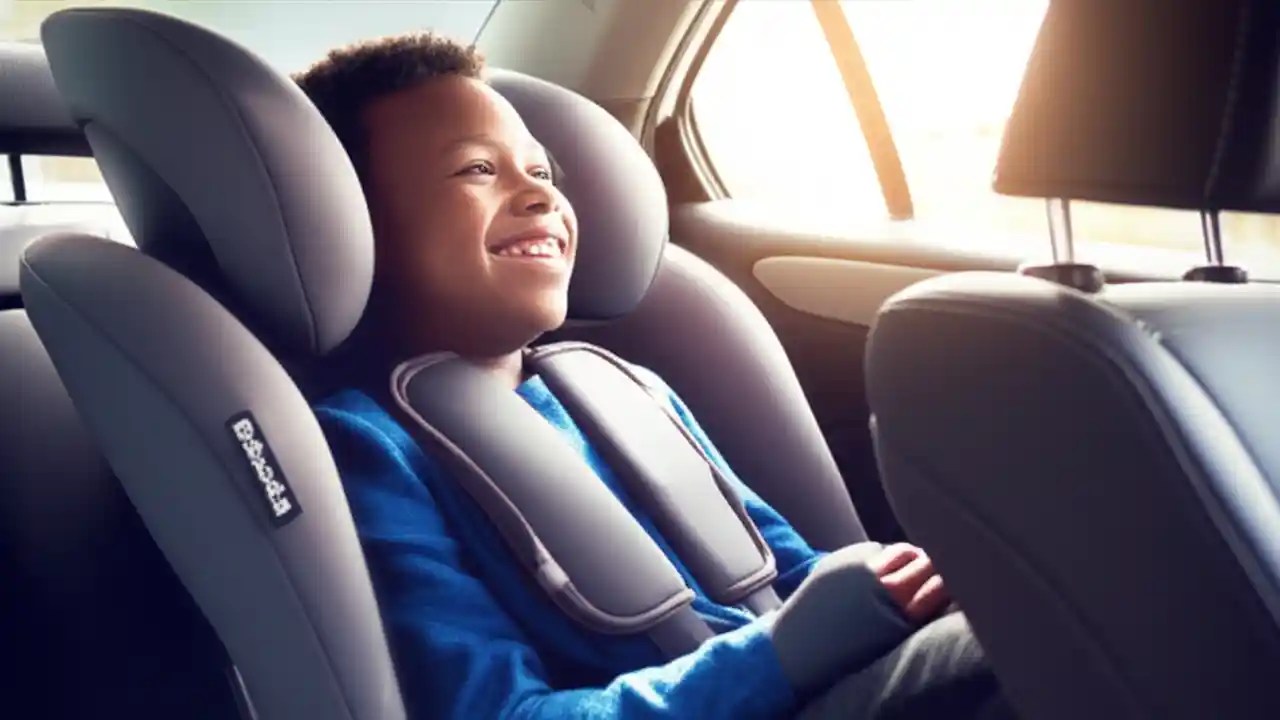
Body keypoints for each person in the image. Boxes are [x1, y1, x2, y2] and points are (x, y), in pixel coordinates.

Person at [295, 33, 1013, 720]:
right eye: (476, 169)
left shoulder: (627, 389)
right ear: (354, 223)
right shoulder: (369, 452)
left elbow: (794, 577)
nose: (538, 195)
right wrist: (778, 653)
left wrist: (904, 588)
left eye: (541, 172)